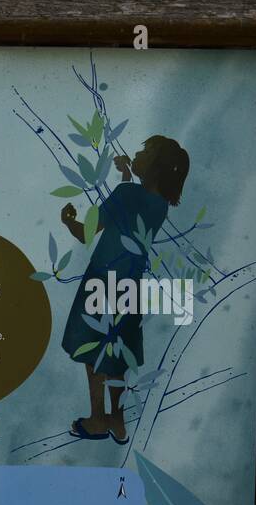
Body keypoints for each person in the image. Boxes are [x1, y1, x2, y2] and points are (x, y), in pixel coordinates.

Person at [60, 134, 189, 444]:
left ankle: (96, 419)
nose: (135, 154)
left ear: (154, 167)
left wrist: (68, 220)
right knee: (117, 356)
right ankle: (118, 422)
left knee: (92, 350)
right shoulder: (159, 205)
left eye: (143, 153)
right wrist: (127, 175)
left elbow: (85, 233)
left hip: (101, 282)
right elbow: (132, 205)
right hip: (130, 287)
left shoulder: (126, 194)